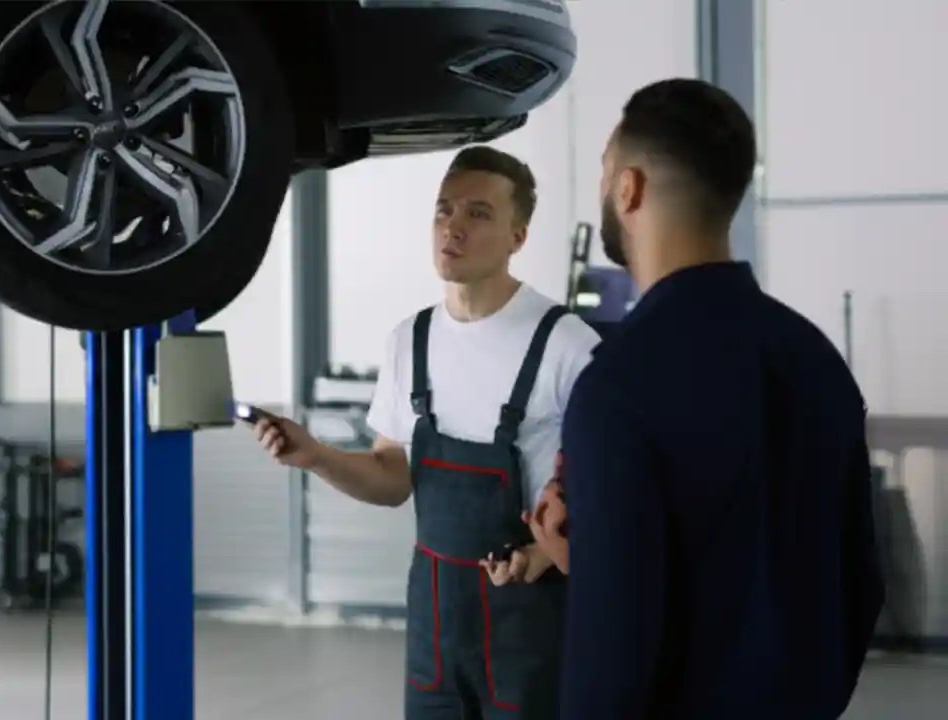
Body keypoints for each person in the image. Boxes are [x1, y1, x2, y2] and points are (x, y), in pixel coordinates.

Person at [524, 78, 886, 719]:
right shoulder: (816, 360)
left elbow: (613, 653)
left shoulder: (618, 386)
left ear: (629, 188)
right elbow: (860, 582)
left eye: (606, 171)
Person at [251, 145, 601, 719]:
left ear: (518, 236)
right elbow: (393, 479)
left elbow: (617, 481)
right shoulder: (409, 342)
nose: (453, 227)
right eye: (444, 210)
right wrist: (313, 454)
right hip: (435, 627)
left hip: (529, 621)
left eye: (478, 214)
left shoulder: (566, 345)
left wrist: (544, 550)